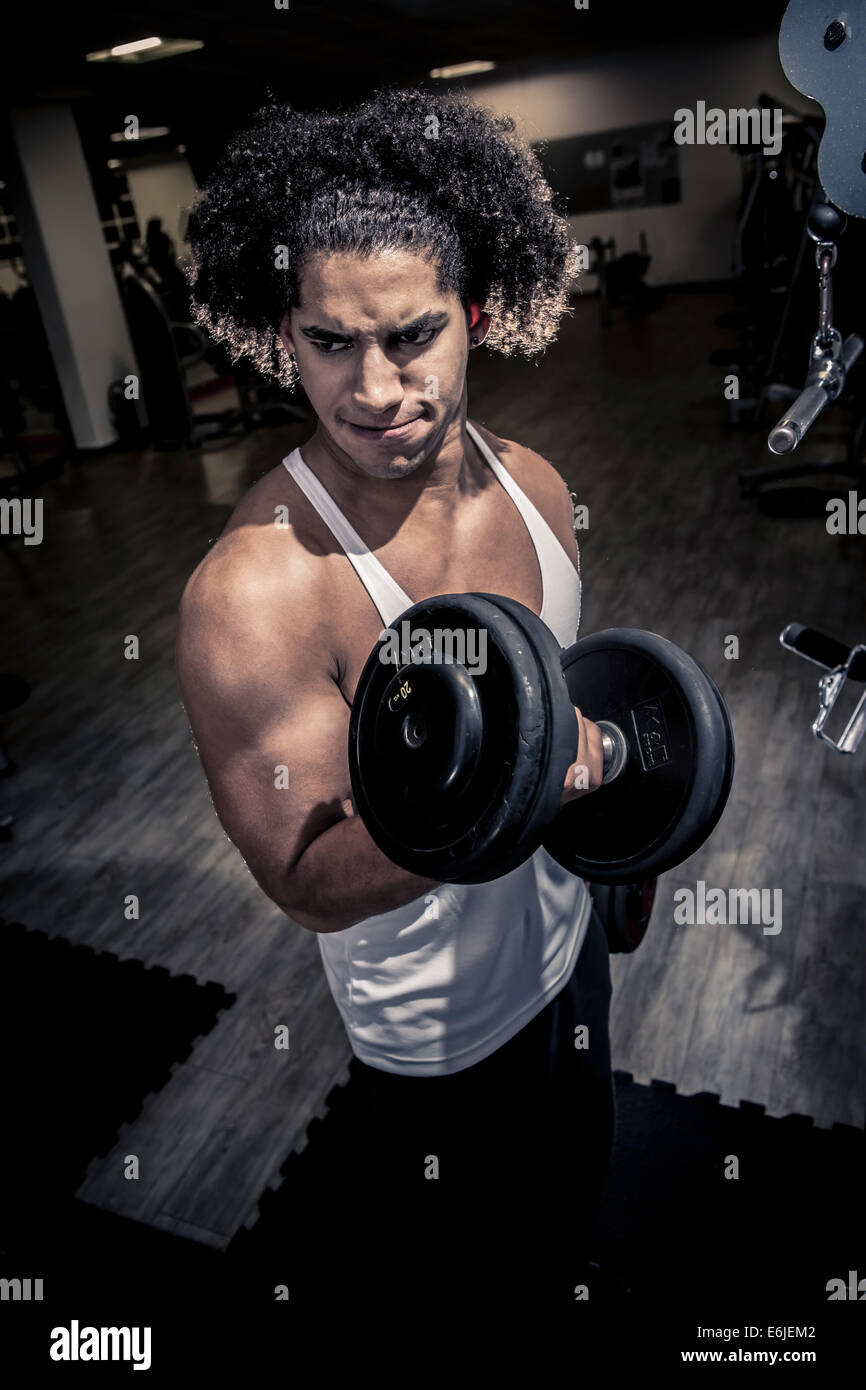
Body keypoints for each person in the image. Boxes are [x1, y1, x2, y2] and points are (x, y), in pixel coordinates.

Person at [176, 86, 614, 1311]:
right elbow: (305, 877)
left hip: (572, 962)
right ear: (284, 335)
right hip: (436, 1044)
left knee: (574, 1218)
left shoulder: (538, 487)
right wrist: (514, 788)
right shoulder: (258, 589)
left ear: (477, 315)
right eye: (328, 342)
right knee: (471, 1294)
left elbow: (570, 701)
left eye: (413, 335)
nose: (373, 388)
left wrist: (601, 829)